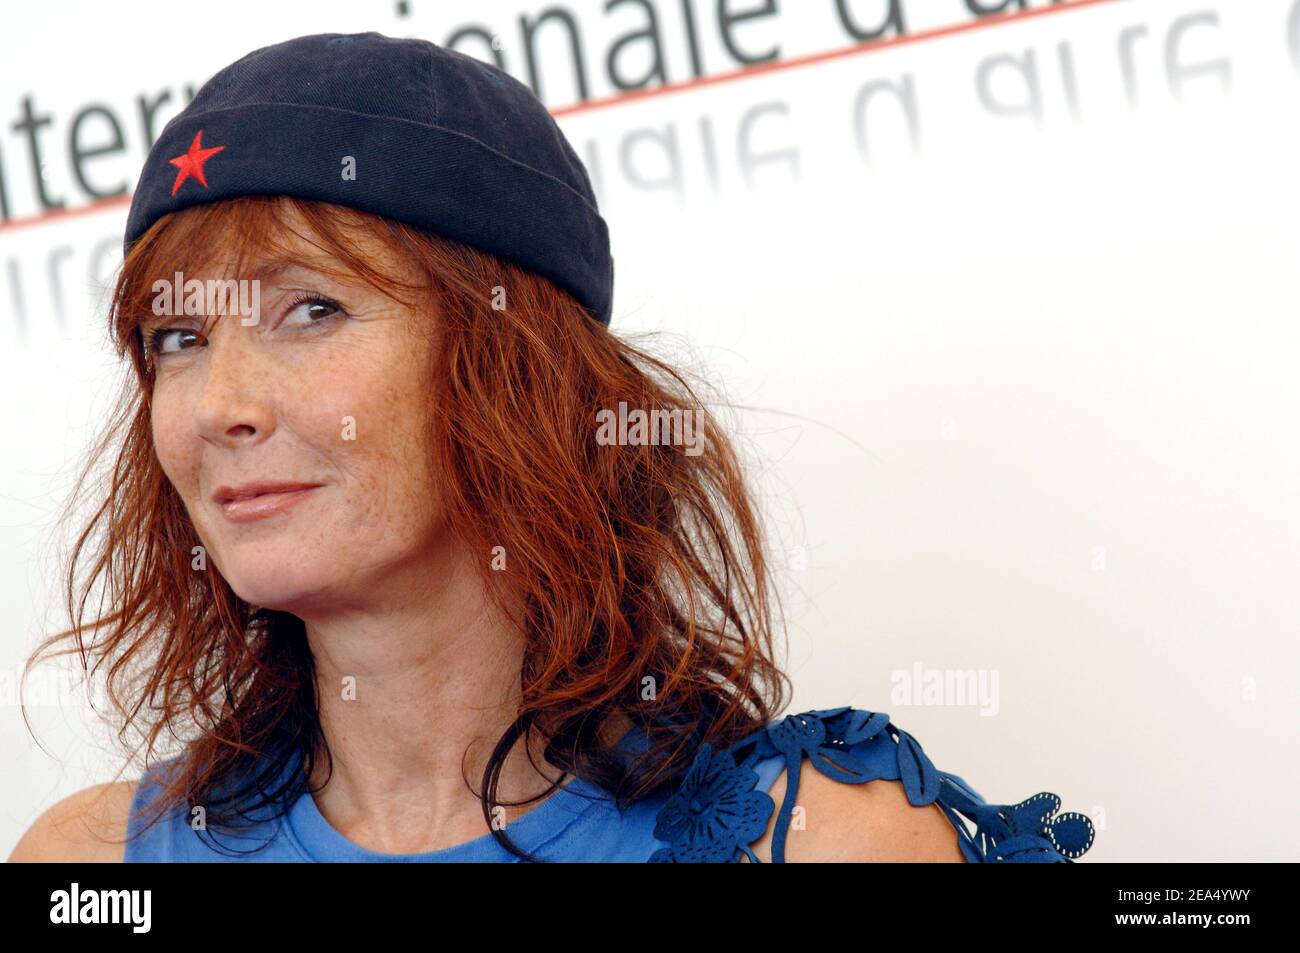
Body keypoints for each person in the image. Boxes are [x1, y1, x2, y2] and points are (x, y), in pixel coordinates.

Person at [8, 32, 1094, 863]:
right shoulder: (91, 862)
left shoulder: (823, 841)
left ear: (515, 369)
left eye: (313, 311)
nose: (217, 405)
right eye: (179, 337)